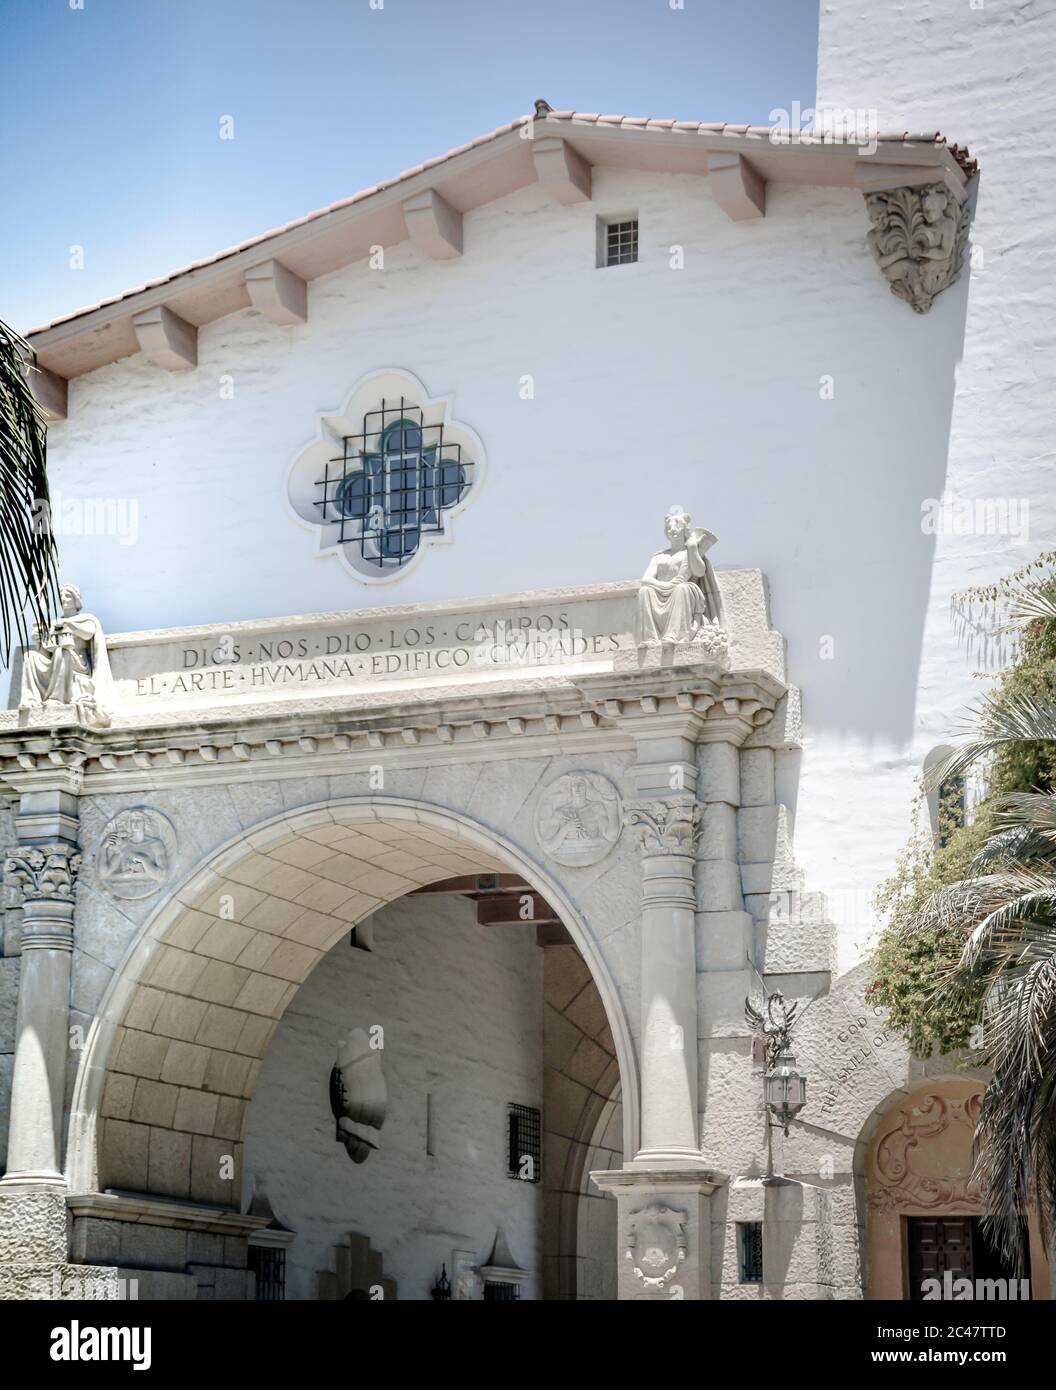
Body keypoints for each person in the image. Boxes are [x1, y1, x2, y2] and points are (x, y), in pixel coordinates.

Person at [19, 583, 111, 727]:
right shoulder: (54, 622)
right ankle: (31, 699)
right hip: (57, 659)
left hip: (78, 663)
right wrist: (40, 638)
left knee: (62, 651)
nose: (63, 598)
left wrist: (69, 625)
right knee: (30, 656)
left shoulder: (87, 619)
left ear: (76, 600)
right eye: (61, 595)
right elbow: (47, 649)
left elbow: (88, 633)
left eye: (68, 595)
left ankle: (56, 698)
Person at [636, 506, 725, 647]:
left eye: (677, 525)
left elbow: (699, 572)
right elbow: (645, 579)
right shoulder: (659, 557)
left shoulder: (689, 551)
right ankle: (650, 638)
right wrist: (663, 585)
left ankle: (674, 635)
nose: (672, 529)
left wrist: (693, 549)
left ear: (685, 528)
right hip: (662, 591)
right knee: (644, 591)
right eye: (669, 526)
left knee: (681, 588)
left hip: (684, 592)